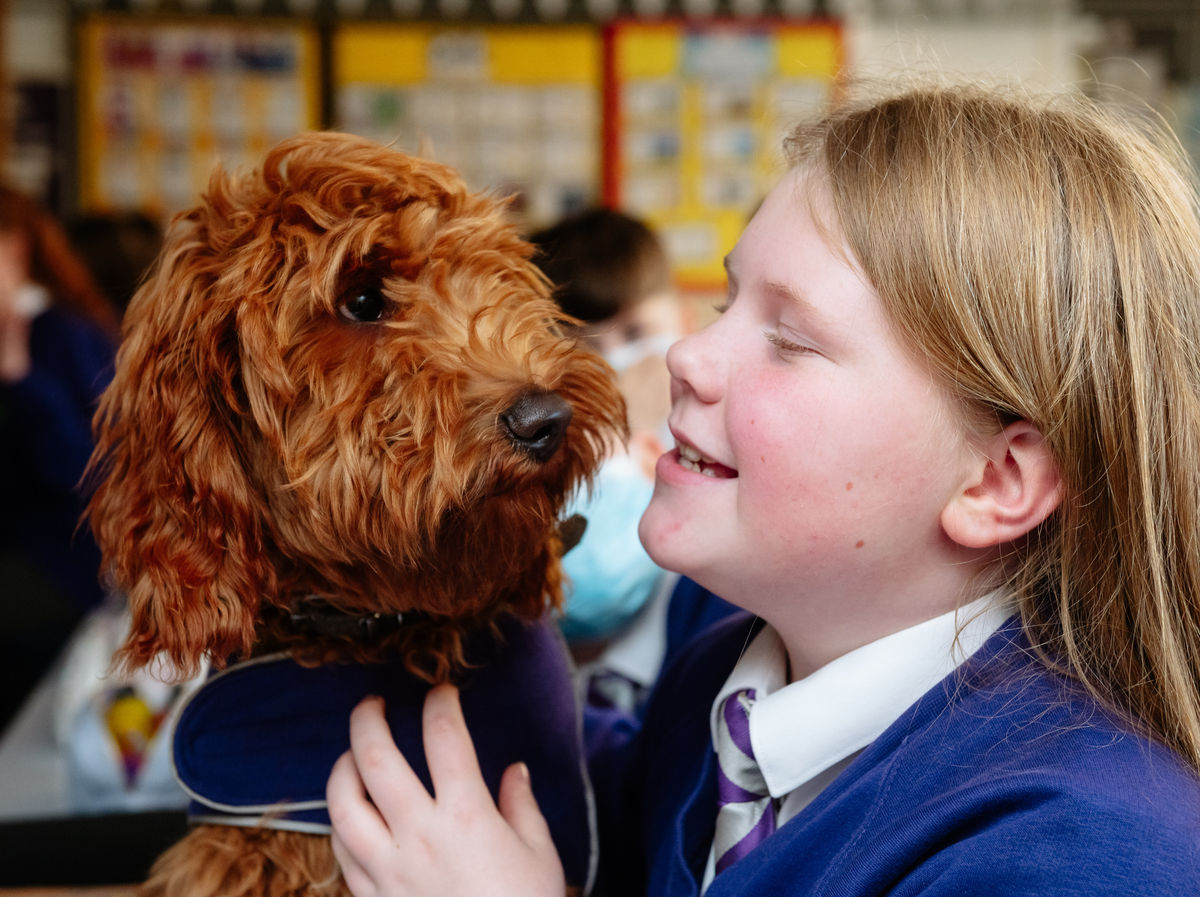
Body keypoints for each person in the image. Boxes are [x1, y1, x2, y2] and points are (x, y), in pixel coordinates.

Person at [324, 83, 1200, 896]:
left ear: (996, 480)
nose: (684, 359)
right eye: (723, 304)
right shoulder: (717, 688)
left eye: (788, 339)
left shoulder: (1084, 852)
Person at [530, 208, 734, 714]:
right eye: (584, 347)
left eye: (636, 332)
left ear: (685, 319)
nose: (617, 362)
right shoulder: (554, 455)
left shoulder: (728, 445)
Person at [0, 185, 120, 730]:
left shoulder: (66, 336)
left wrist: (20, 373)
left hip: (68, 563)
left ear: (17, 251)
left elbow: (93, 474)